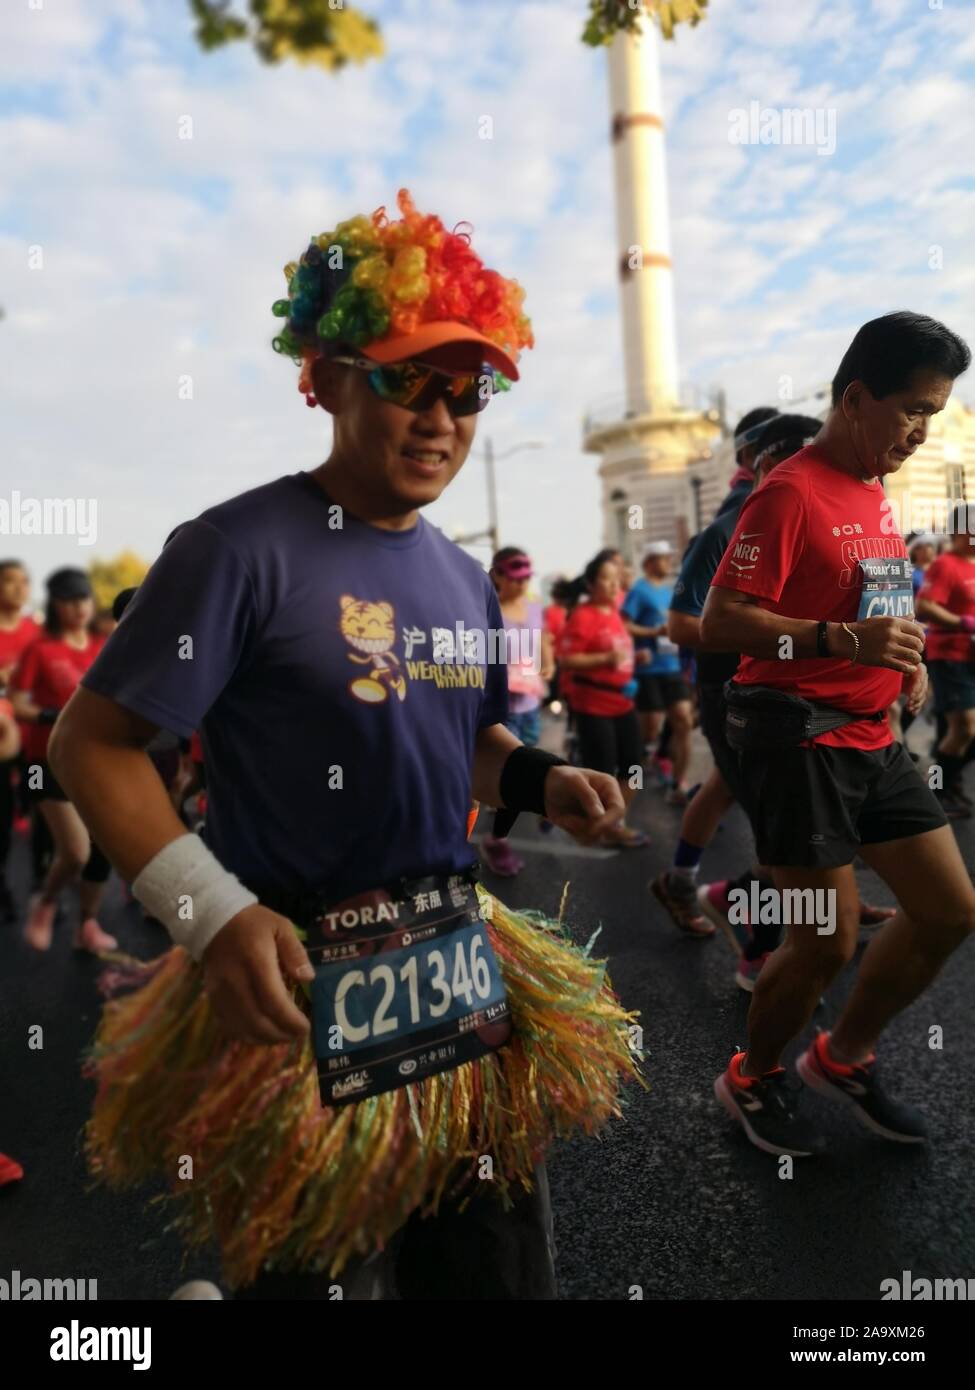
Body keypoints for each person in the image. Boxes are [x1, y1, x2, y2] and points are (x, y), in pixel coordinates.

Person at [52, 189, 638, 1299]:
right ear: (321, 375)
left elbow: (462, 736)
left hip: (457, 964)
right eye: (401, 378)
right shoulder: (234, 547)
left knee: (493, 1276)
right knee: (308, 1268)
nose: (439, 416)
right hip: (297, 978)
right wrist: (209, 915)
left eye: (466, 389)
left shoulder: (464, 578)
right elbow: (95, 743)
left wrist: (546, 778)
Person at [704, 310, 975, 1156]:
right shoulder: (788, 490)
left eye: (934, 415)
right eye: (913, 411)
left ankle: (841, 1057)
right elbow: (721, 622)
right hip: (796, 741)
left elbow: (881, 583)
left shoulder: (869, 485)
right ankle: (751, 1074)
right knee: (822, 939)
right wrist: (835, 641)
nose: (921, 432)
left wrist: (904, 660)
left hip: (872, 735)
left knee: (947, 910)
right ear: (855, 397)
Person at [653, 414, 823, 975]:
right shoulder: (728, 528)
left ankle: (690, 884)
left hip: (789, 691)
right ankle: (759, 950)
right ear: (758, 461)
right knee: (781, 827)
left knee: (739, 794)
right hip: (737, 694)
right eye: (800, 456)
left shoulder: (813, 515)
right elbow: (679, 624)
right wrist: (757, 630)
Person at [11, 568, 115, 953]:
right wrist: (52, 716)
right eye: (71, 601)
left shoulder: (104, 646)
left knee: (103, 849)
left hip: (95, 760)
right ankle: (46, 901)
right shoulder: (40, 650)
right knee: (75, 851)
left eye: (85, 599)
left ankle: (86, 925)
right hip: (44, 762)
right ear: (56, 605)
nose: (80, 607)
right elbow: (18, 703)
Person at [558, 553, 647, 848]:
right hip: (593, 705)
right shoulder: (584, 615)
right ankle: (596, 823)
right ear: (592, 584)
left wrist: (637, 657)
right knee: (602, 772)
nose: (613, 585)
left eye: (615, 579)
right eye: (606, 580)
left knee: (634, 766)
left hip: (623, 702)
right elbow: (568, 659)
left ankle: (612, 822)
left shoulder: (614, 612)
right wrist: (605, 658)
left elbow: (621, 651)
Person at [480, 547, 554, 877]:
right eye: (516, 578)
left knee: (517, 771)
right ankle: (496, 840)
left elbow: (541, 640)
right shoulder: (485, 608)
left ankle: (518, 806)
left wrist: (547, 663)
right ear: (498, 575)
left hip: (529, 705)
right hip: (497, 710)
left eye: (526, 579)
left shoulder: (534, 608)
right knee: (509, 774)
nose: (522, 585)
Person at [623, 540, 694, 804]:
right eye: (664, 559)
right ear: (650, 562)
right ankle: (632, 774)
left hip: (673, 667)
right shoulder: (639, 591)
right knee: (650, 731)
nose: (668, 563)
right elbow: (624, 626)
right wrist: (654, 632)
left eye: (669, 558)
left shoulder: (669, 592)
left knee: (683, 721)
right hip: (648, 670)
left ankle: (678, 785)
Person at [915, 507, 975, 818]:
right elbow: (924, 607)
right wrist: (964, 623)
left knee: (960, 731)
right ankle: (934, 797)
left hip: (971, 656)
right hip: (950, 657)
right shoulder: (944, 565)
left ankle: (947, 783)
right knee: (963, 729)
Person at [0, 560, 39, 923]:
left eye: (24, 582)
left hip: (32, 738)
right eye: (10, 581)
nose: (18, 588)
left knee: (37, 806)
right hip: (2, 737)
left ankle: (43, 890)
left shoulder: (34, 630)